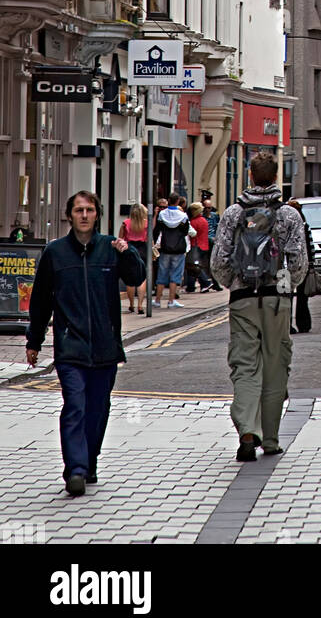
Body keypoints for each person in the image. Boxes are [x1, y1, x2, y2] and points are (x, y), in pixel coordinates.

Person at [25, 191, 145, 496]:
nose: (84, 215)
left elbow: (136, 277)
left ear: (97, 214)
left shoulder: (109, 248)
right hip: (70, 347)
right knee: (75, 405)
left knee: (98, 409)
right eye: (78, 210)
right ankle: (75, 469)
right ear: (69, 215)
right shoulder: (55, 252)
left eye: (89, 209)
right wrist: (34, 340)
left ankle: (89, 461)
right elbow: (40, 300)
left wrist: (127, 252)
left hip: (105, 346)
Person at [211, 153, 308, 459]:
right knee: (276, 364)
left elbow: (219, 262)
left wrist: (235, 284)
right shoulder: (289, 216)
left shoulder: (232, 214)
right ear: (276, 176)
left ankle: (248, 432)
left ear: (249, 176)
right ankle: (271, 439)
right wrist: (284, 286)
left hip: (243, 299)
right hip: (276, 298)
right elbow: (298, 262)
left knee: (245, 365)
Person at [154, 192, 195, 308]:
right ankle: (171, 301)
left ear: (168, 200)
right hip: (178, 249)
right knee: (175, 275)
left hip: (165, 247)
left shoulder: (162, 214)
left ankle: (157, 300)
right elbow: (186, 231)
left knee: (161, 274)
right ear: (177, 202)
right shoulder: (183, 216)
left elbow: (159, 228)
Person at [288, 199, 317, 334]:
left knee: (286, 297)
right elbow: (310, 247)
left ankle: (286, 325)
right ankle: (304, 324)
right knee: (302, 297)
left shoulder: (283, 225)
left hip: (284, 267)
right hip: (302, 265)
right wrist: (311, 264)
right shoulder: (304, 225)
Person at [120, 203, 149, 314]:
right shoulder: (146, 224)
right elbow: (148, 238)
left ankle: (131, 305)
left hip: (130, 249)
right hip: (142, 249)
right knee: (142, 278)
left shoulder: (126, 223)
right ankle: (140, 306)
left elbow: (120, 238)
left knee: (130, 278)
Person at [185, 202, 215, 293]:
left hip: (195, 245)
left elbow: (192, 234)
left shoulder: (194, 222)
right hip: (203, 245)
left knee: (192, 266)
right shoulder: (203, 220)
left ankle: (205, 282)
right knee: (193, 265)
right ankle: (191, 286)